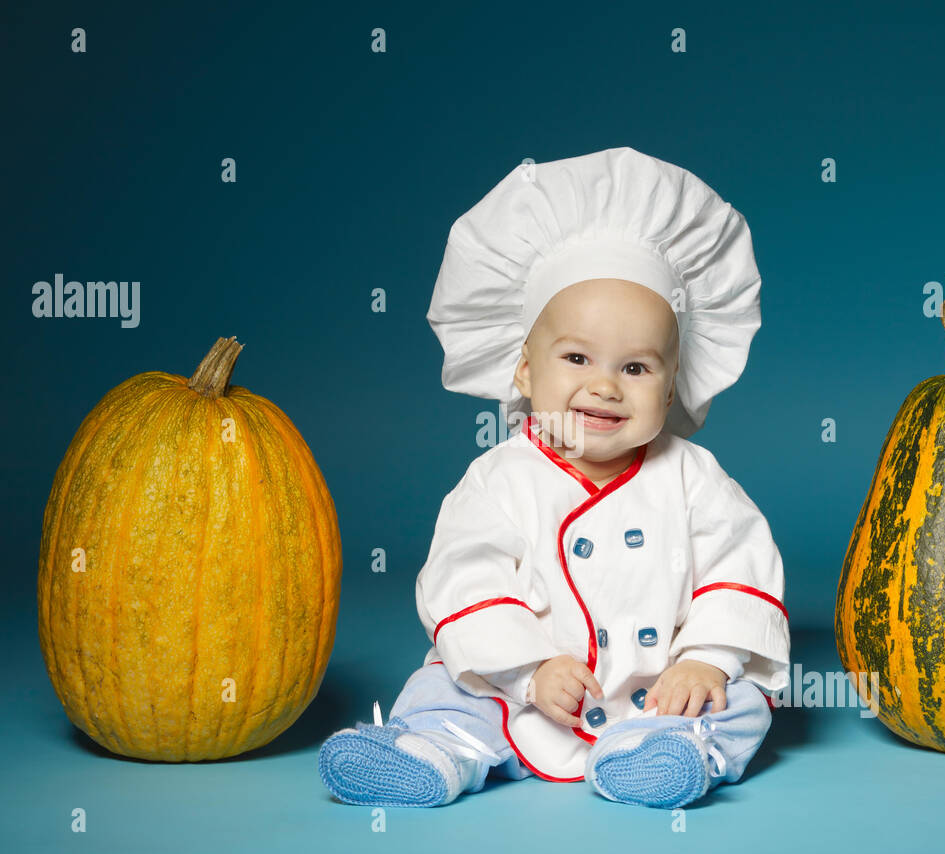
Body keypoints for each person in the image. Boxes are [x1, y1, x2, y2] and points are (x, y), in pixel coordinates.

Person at [318, 146, 790, 809]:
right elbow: (465, 576)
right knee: (450, 681)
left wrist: (705, 659)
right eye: (576, 356)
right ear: (523, 370)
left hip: (660, 691)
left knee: (743, 701)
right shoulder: (499, 478)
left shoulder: (694, 477)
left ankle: (674, 751)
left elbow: (739, 572)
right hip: (525, 694)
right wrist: (530, 669)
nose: (604, 385)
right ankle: (434, 749)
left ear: (672, 382)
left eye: (636, 368)